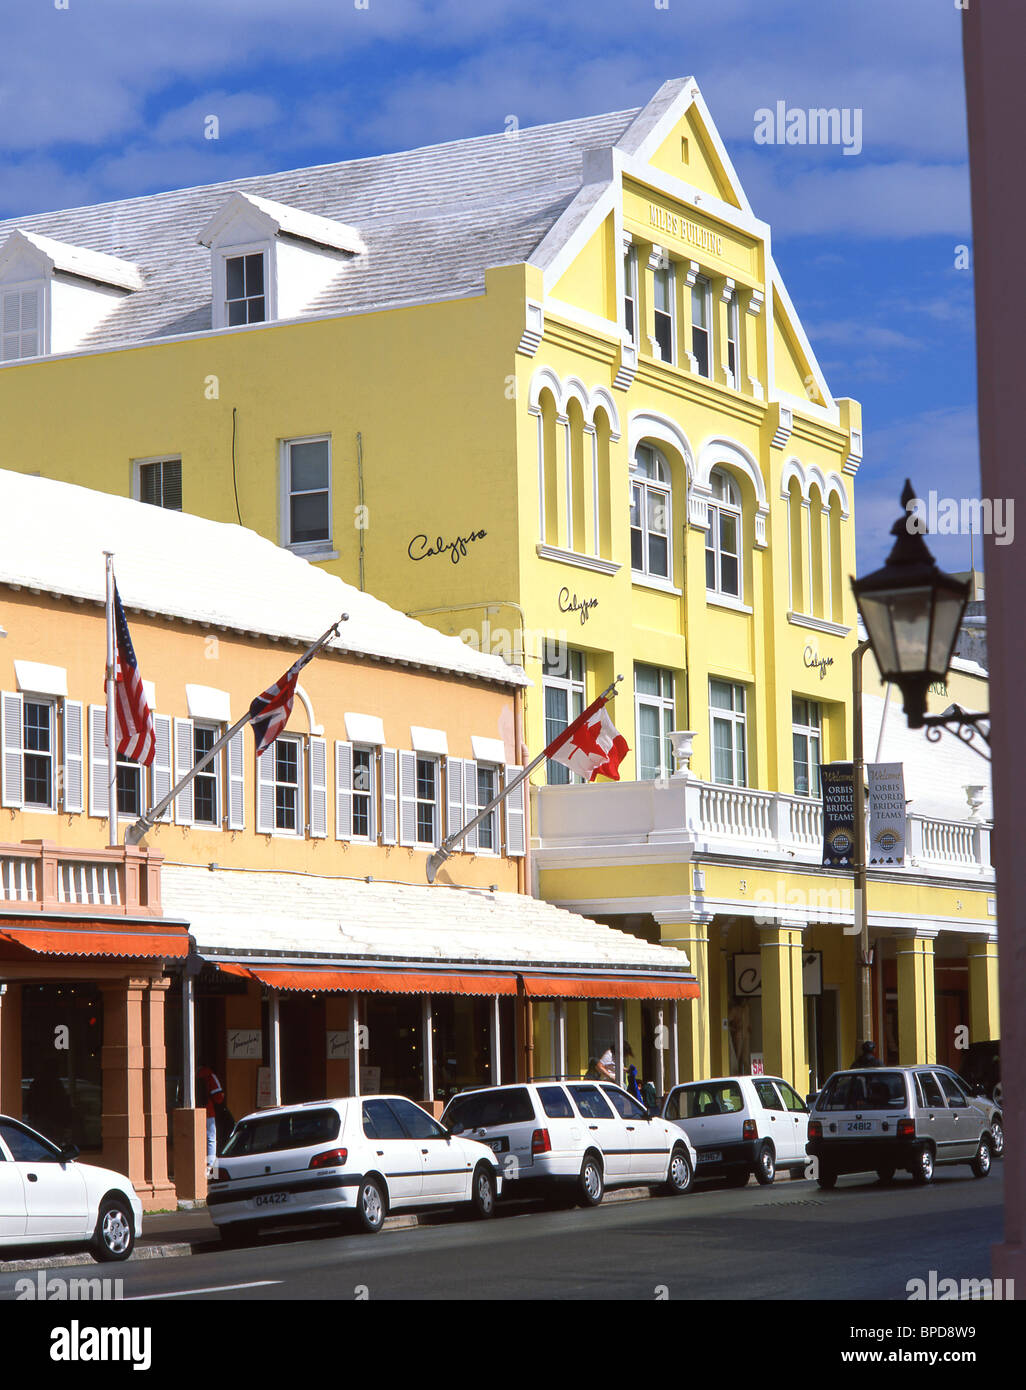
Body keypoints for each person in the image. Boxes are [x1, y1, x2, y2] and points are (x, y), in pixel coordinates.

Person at [197, 1063, 227, 1172]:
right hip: (208, 1111)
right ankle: (211, 1169)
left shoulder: (188, 1071)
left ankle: (197, 1167)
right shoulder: (209, 1074)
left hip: (193, 1111)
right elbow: (219, 1097)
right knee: (211, 1139)